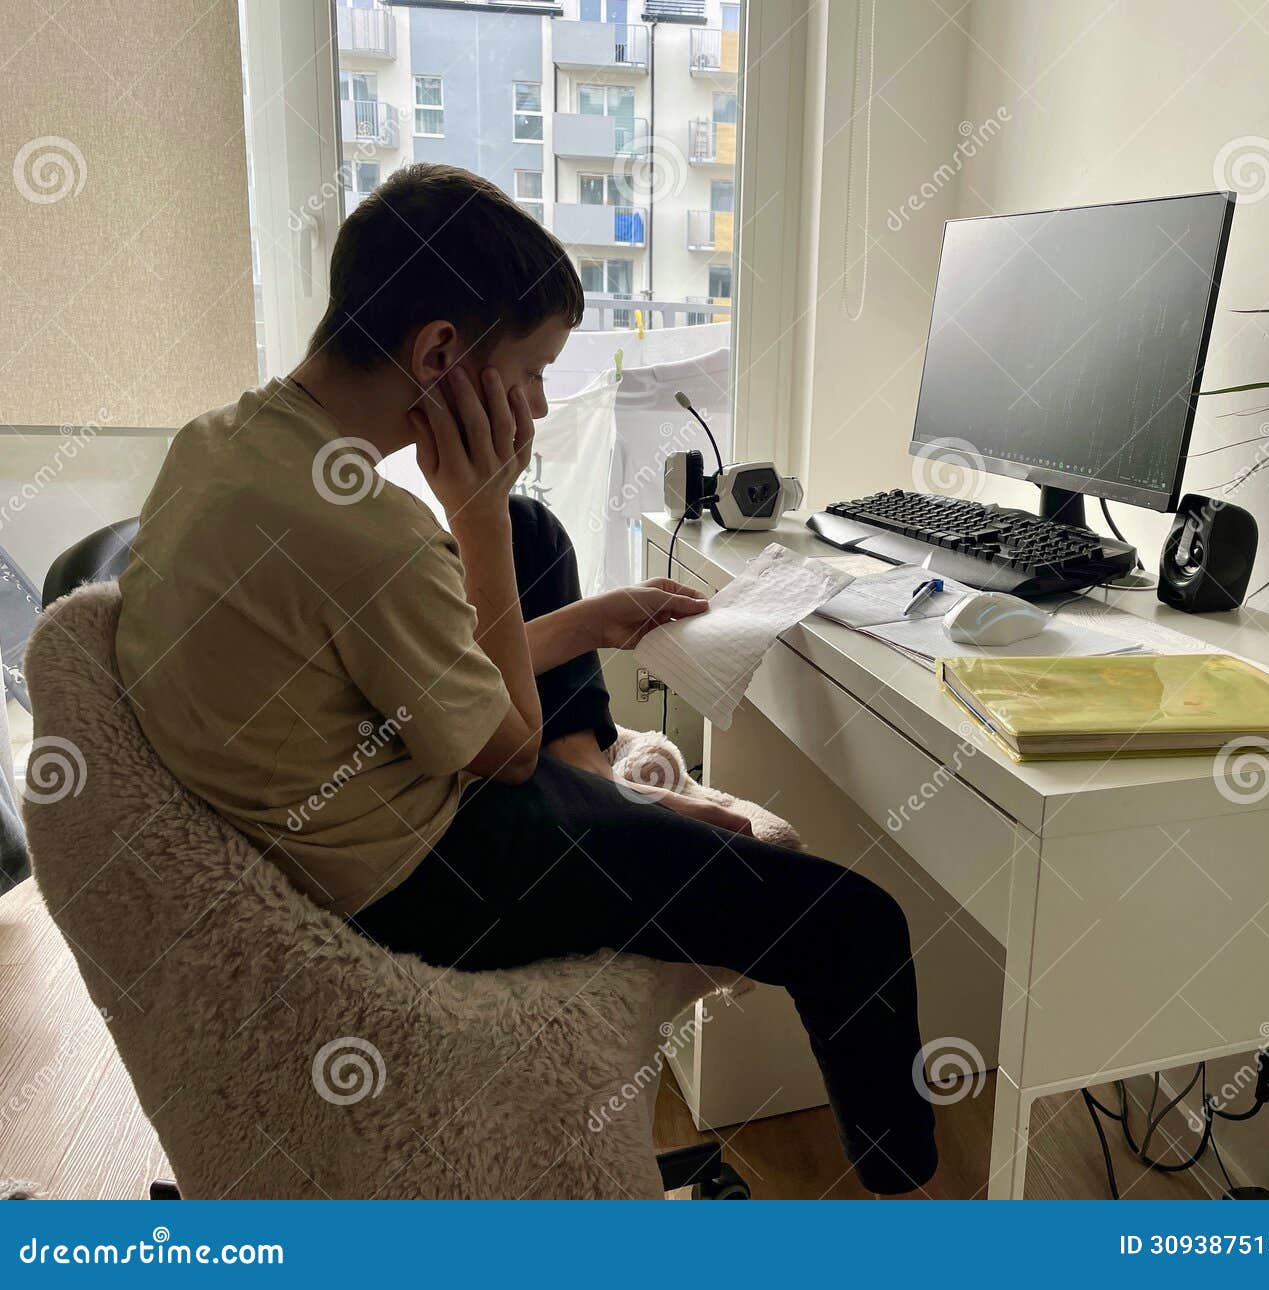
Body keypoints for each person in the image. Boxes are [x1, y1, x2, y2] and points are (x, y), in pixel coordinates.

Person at [115, 163, 937, 1196]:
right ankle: (910, 1209)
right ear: (441, 354)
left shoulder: (219, 443)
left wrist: (586, 621)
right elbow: (506, 751)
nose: (543, 404)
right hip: (426, 871)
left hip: (374, 784)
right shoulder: (369, 534)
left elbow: (404, 676)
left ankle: (610, 793)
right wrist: (478, 514)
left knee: (538, 541)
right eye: (536, 370)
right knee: (856, 926)